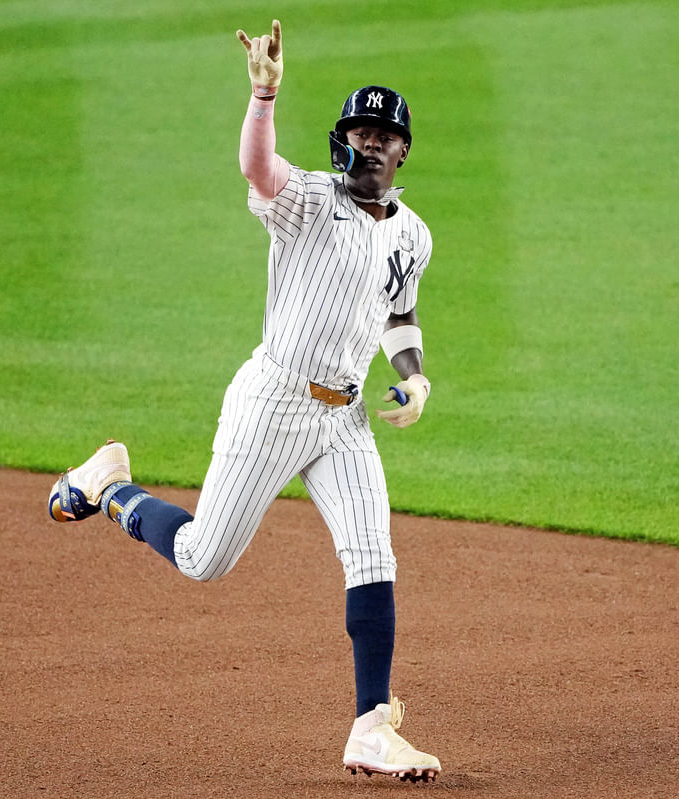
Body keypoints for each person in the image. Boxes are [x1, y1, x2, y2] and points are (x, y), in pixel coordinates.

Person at [46, 18, 440, 783]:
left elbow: (399, 311)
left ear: (400, 151)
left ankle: (367, 726)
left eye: (378, 135)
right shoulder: (307, 201)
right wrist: (263, 95)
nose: (364, 143)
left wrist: (416, 374)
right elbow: (258, 169)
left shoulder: (413, 235)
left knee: (373, 554)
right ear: (341, 140)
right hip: (275, 401)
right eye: (354, 130)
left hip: (346, 417)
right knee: (202, 558)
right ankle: (110, 485)